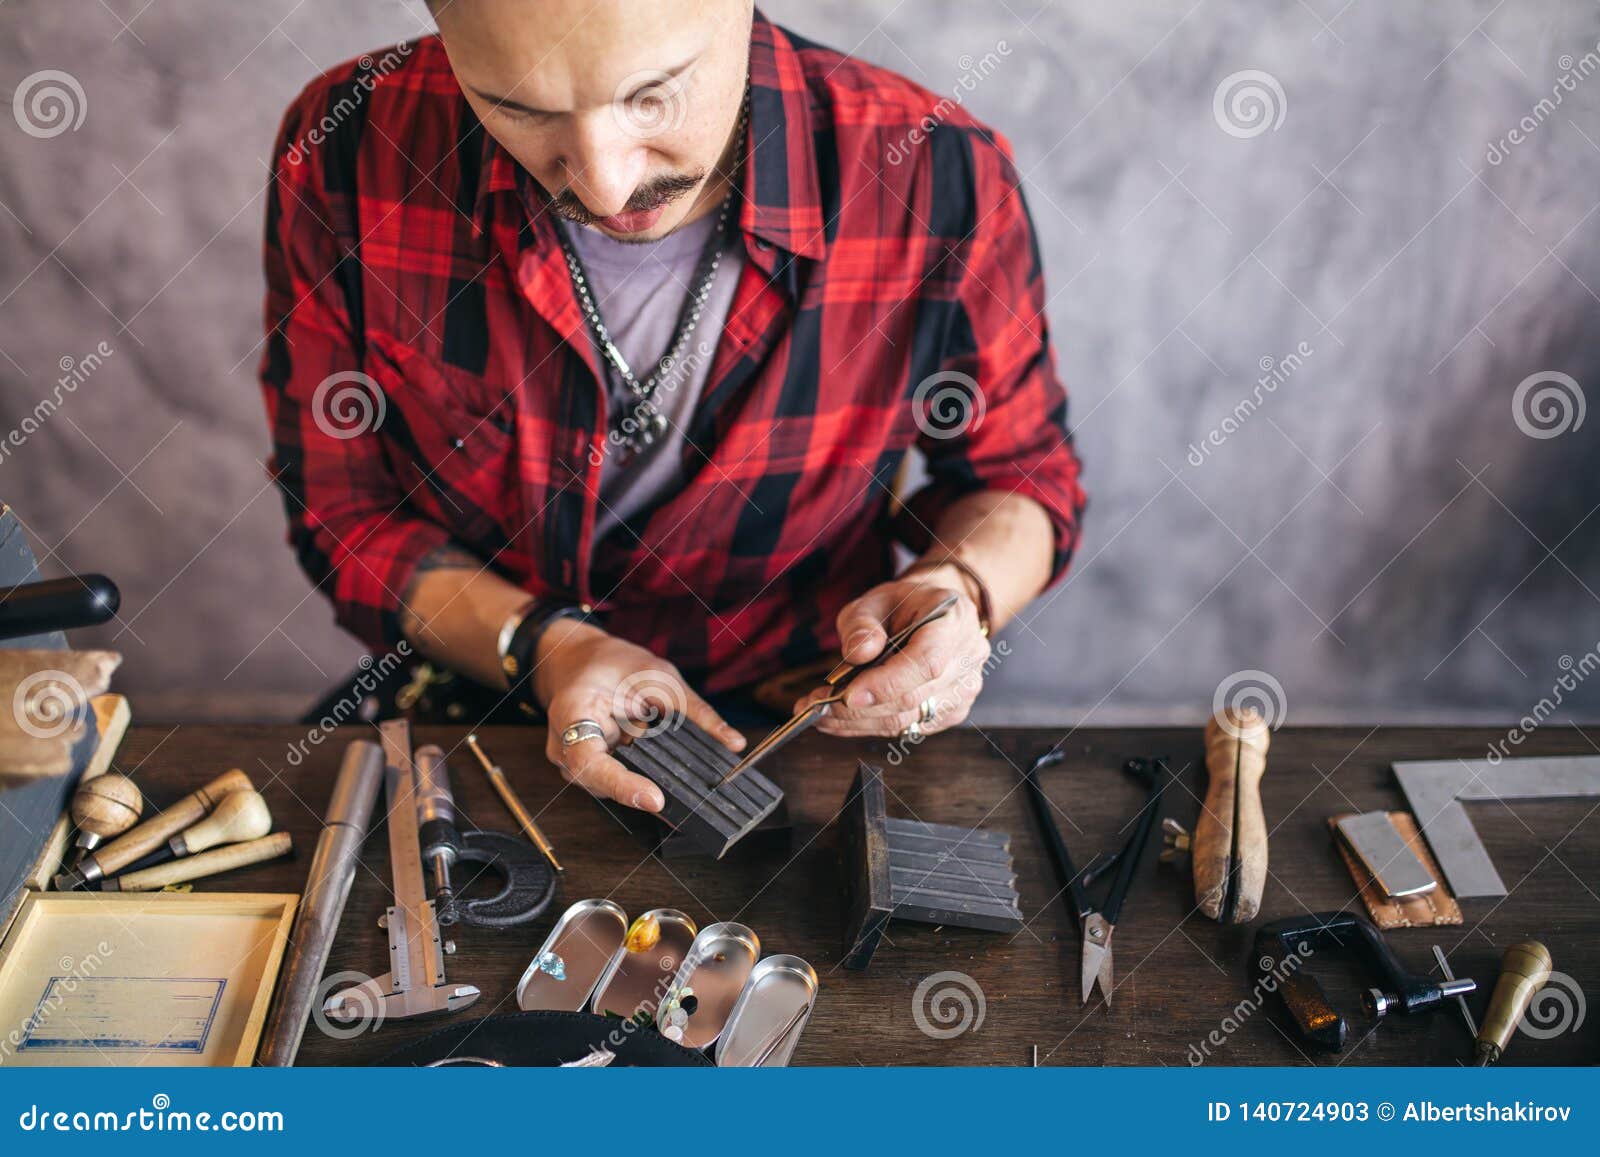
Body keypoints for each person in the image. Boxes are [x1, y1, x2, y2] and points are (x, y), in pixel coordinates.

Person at [258, 0, 1085, 814]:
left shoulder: (934, 174)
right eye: (516, 108)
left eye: (653, 96)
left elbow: (1023, 477)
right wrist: (548, 647)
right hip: (487, 702)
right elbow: (346, 510)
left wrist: (963, 589)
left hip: (804, 722)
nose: (606, 183)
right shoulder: (346, 147)